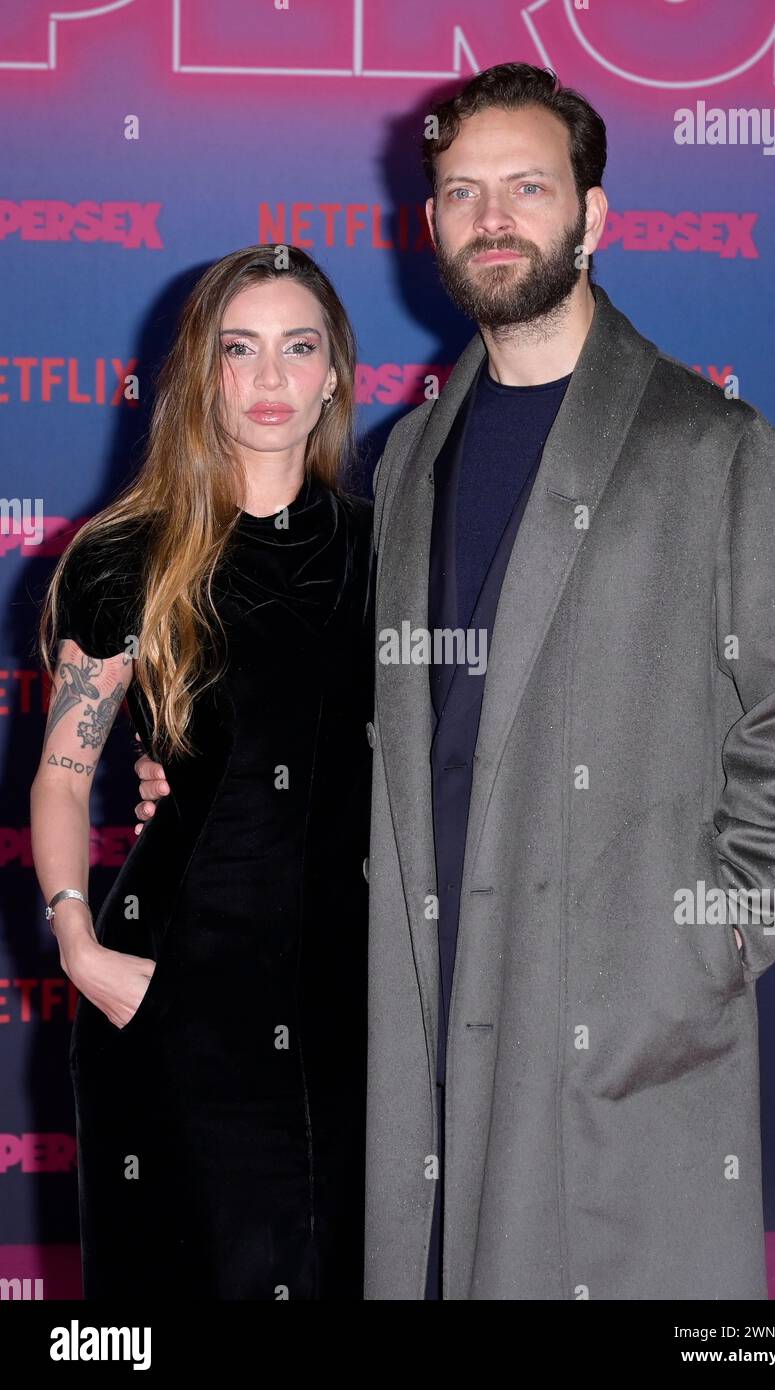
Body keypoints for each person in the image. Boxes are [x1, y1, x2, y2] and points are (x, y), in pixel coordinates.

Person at [137, 65, 775, 1302]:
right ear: (427, 227)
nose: (492, 216)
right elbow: (340, 709)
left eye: (527, 186)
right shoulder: (402, 460)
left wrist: (700, 946)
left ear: (593, 213)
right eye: (461, 191)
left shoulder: (712, 447)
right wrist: (198, 785)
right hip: (416, 1026)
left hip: (617, 1027)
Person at [31, 244, 374, 1300]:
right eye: (240, 350)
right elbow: (58, 774)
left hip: (354, 1002)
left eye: (296, 347)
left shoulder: (390, 549)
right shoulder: (124, 554)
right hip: (174, 994)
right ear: (202, 372)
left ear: (331, 375)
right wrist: (79, 943)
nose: (269, 379)